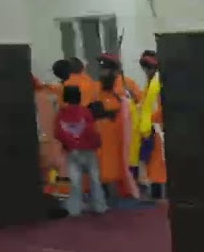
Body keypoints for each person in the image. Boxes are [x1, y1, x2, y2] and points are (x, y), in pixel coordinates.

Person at [93, 54, 143, 199]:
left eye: (106, 68)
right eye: (102, 68)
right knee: (104, 165)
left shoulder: (127, 83)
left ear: (115, 70)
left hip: (123, 132)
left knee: (125, 162)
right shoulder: (97, 86)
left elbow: (139, 101)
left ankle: (128, 193)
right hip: (103, 133)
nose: (103, 71)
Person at [54, 86, 108, 217]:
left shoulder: (61, 114)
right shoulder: (85, 112)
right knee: (95, 179)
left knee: (75, 182)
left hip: (72, 152)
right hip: (89, 151)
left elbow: (58, 133)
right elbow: (92, 131)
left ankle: (74, 209)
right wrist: (97, 143)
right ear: (79, 96)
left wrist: (69, 143)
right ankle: (99, 206)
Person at [132, 51, 166, 199]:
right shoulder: (152, 84)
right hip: (150, 129)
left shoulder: (157, 84)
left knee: (157, 164)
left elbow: (160, 108)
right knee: (153, 165)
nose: (146, 71)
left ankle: (158, 196)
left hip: (157, 129)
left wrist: (151, 118)